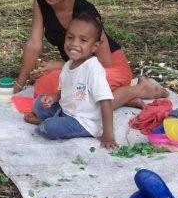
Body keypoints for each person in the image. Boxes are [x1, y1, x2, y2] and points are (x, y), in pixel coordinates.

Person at [0, 0, 167, 109]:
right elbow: (34, 43)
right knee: (43, 86)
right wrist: (18, 85)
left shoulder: (86, 12)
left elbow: (105, 62)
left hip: (108, 66)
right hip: (75, 66)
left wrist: (62, 65)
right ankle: (122, 98)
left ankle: (140, 90)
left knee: (80, 101)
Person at [25, 12, 117, 149]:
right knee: (38, 103)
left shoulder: (93, 69)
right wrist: (52, 98)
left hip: (83, 121)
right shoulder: (69, 64)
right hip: (65, 110)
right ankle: (53, 119)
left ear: (94, 47)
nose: (74, 44)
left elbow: (106, 102)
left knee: (48, 128)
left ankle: (45, 122)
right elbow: (63, 92)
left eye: (83, 40)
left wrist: (108, 135)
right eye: (70, 37)